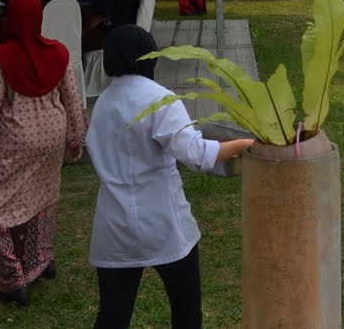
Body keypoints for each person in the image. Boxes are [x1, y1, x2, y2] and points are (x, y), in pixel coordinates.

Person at [88, 25, 253, 329]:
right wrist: (244, 144)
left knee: (112, 314)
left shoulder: (103, 103)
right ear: (150, 57)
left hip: (114, 224)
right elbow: (195, 154)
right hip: (162, 220)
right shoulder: (160, 99)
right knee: (186, 309)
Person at [0, 0, 87, 308]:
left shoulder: (2, 56)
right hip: (52, 136)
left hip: (16, 138)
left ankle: (14, 278)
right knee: (43, 197)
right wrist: (75, 139)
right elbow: (73, 99)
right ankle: (43, 259)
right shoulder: (58, 52)